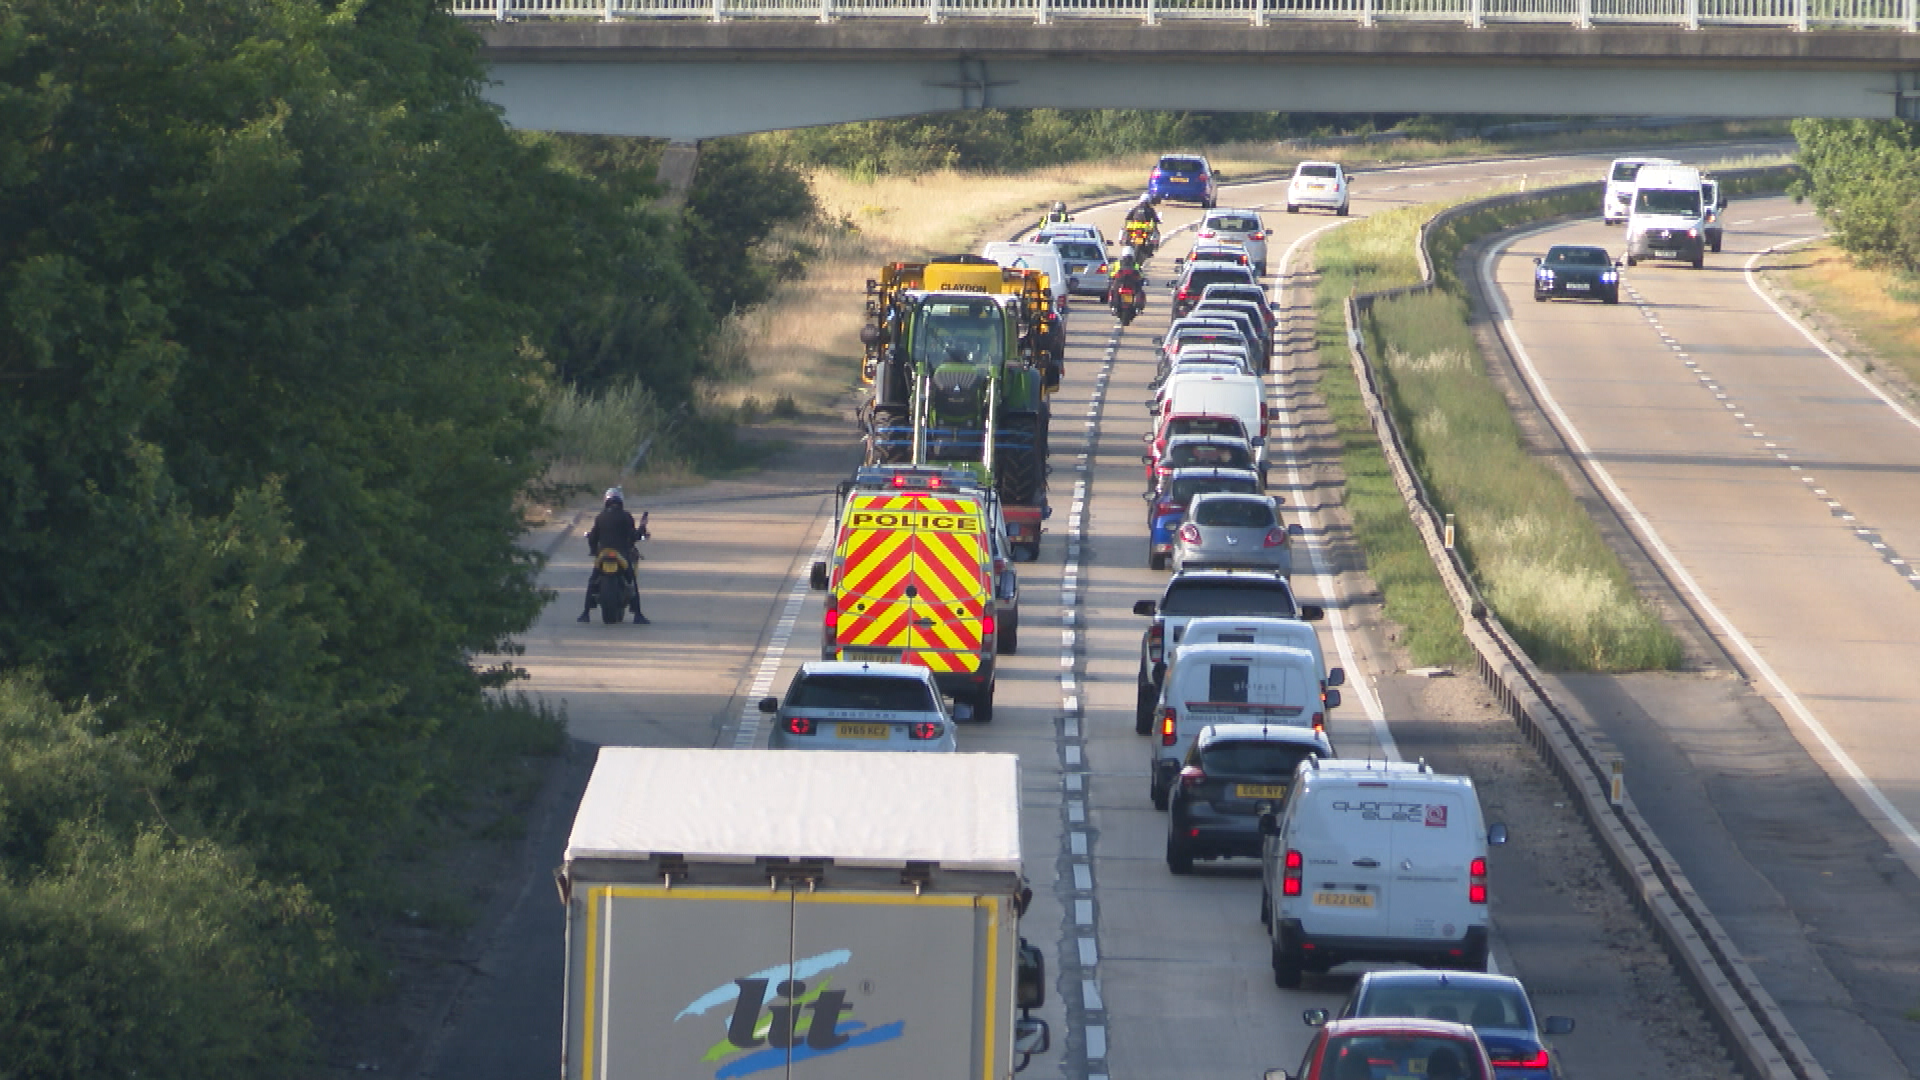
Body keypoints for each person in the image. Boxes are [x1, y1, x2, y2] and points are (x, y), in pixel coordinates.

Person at [579, 487, 650, 624]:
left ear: (606, 500)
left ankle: (585, 613)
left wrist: (593, 550)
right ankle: (638, 614)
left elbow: (593, 537)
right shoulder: (626, 516)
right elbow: (633, 536)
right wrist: (642, 527)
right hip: (621, 553)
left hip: (603, 554)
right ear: (620, 501)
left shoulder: (600, 517)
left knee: (592, 581)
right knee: (632, 582)